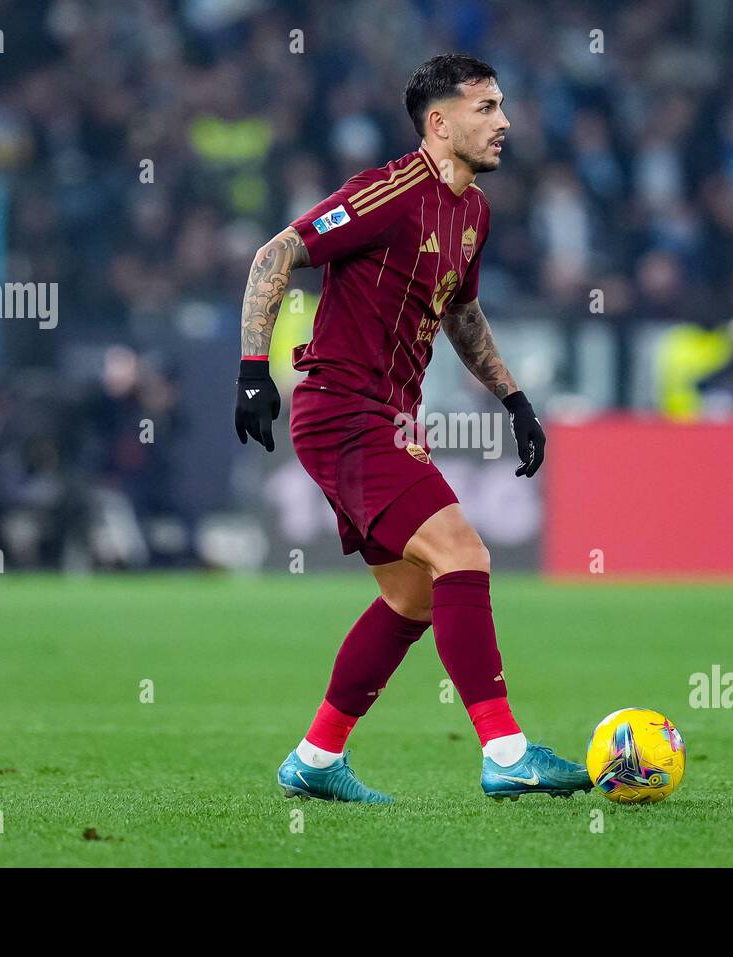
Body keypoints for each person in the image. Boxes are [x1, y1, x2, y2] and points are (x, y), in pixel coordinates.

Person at [234, 54, 590, 803]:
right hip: (341, 410)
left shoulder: (475, 212)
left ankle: (316, 758)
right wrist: (252, 367)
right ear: (440, 122)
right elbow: (277, 253)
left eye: (503, 106)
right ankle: (505, 751)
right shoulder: (390, 192)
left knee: (416, 596)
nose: (505, 123)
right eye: (487, 108)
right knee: (464, 553)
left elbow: (460, 312)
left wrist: (515, 398)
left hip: (391, 415)